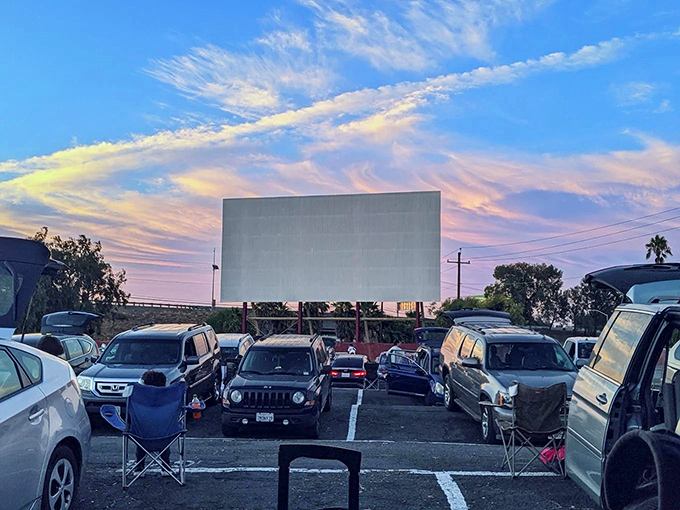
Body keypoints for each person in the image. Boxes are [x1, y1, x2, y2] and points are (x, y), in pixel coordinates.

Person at [135, 370, 171, 475]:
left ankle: (139, 467)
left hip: (142, 436)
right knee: (164, 432)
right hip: (165, 434)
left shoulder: (139, 400)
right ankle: (166, 466)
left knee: (141, 431)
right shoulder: (169, 400)